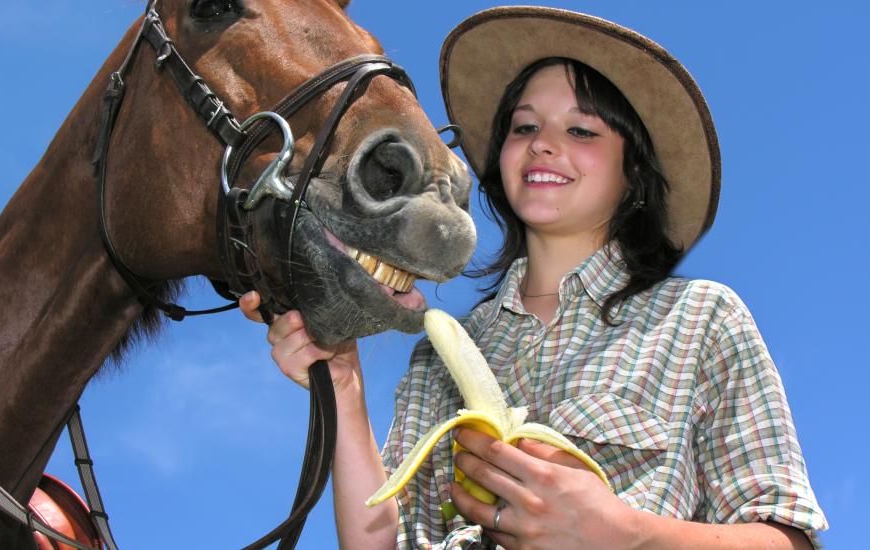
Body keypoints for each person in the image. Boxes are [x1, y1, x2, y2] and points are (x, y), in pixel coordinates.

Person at [240, 6, 827, 549]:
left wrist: (623, 533)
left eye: (582, 131)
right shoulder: (436, 357)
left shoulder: (701, 317)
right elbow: (380, 542)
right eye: (524, 128)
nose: (544, 145)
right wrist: (343, 384)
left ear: (634, 174)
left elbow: (788, 539)